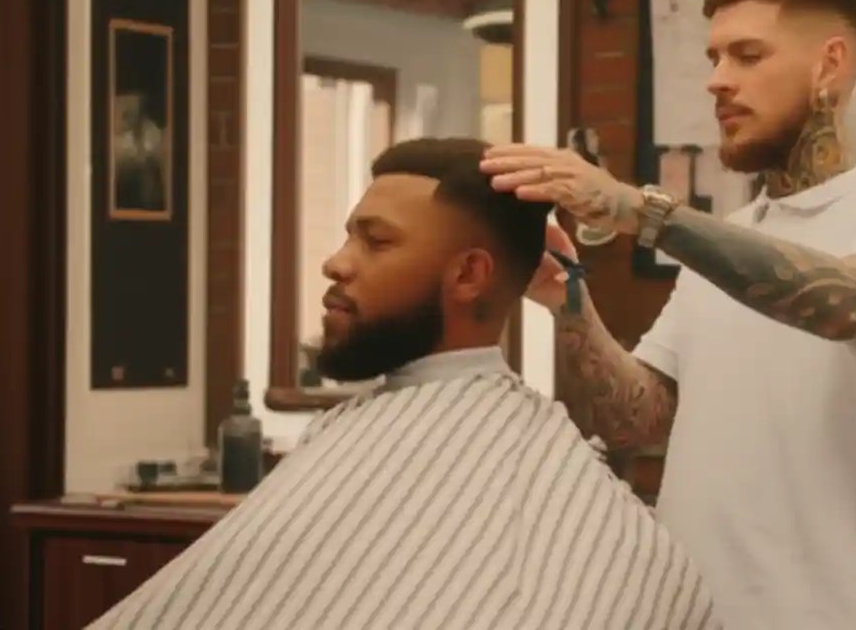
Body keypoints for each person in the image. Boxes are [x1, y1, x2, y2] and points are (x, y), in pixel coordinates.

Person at [480, 0, 856, 629]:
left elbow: (848, 304)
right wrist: (570, 301)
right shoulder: (724, 241)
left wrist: (638, 211)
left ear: (829, 64)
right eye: (713, 57)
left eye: (747, 55)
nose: (717, 80)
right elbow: (638, 418)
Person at [90, 138, 720, 630]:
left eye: (376, 241)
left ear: (471, 273)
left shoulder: (543, 472)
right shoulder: (362, 430)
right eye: (348, 234)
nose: (335, 261)